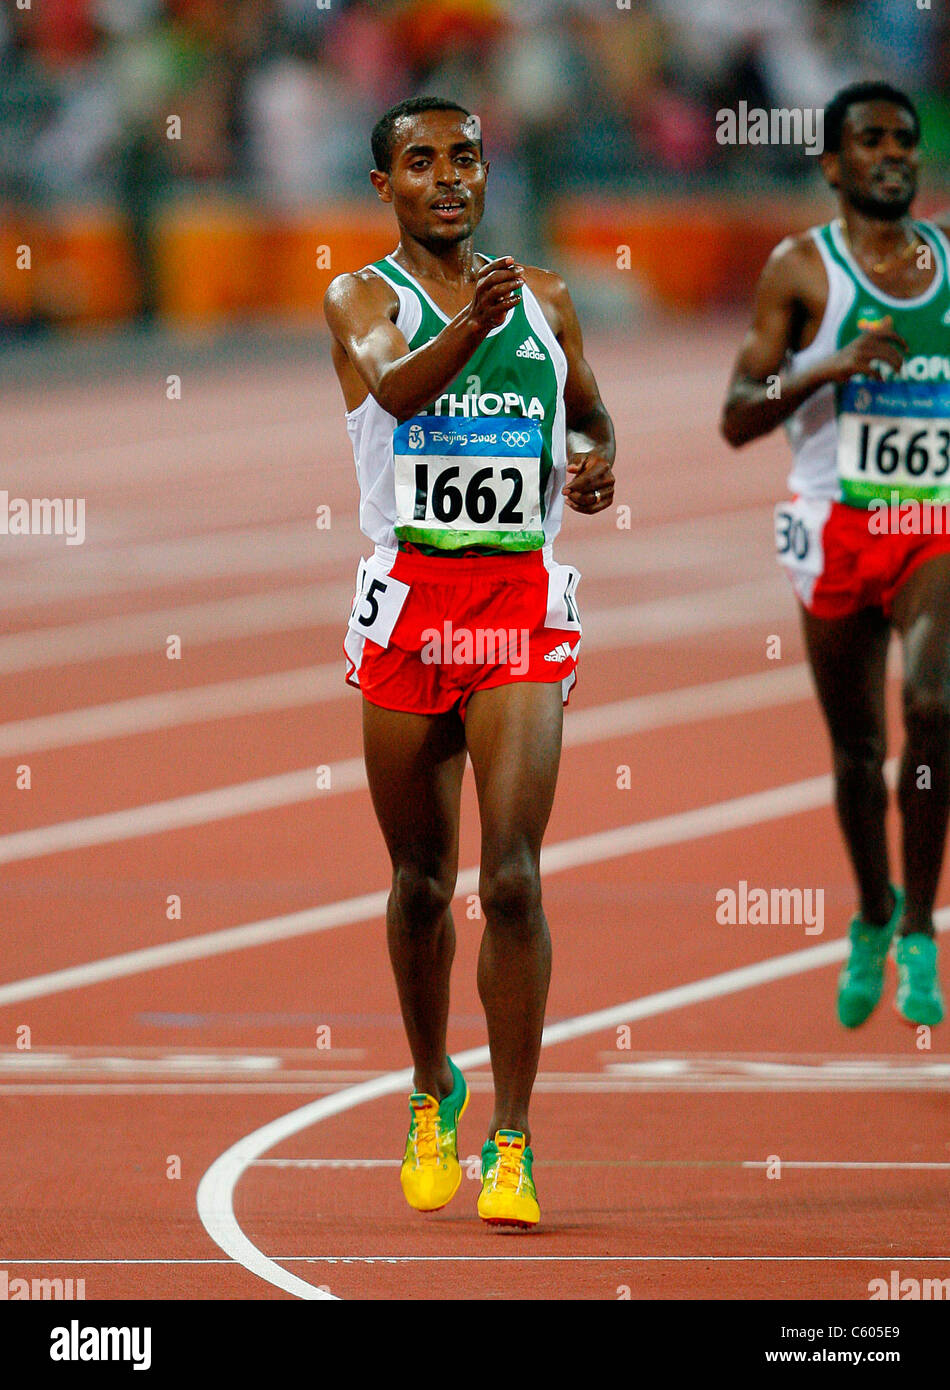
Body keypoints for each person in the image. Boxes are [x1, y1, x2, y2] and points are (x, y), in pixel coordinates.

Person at [324, 96, 615, 1226]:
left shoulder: (542, 298)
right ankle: (426, 1082)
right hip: (408, 605)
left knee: (511, 877)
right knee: (417, 882)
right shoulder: (359, 295)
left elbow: (588, 416)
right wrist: (472, 325)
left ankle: (511, 1137)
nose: (447, 177)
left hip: (516, 606)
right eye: (418, 161)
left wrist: (594, 466)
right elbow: (398, 391)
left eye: (465, 158)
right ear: (382, 185)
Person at [721, 81, 950, 1030]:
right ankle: (871, 909)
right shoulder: (800, 271)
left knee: (933, 703)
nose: (893, 153)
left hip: (933, 524)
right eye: (870, 140)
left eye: (904, 139)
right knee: (857, 752)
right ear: (832, 165)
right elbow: (737, 415)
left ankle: (921, 930)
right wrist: (824, 367)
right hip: (833, 525)